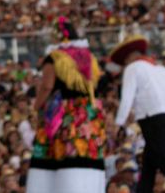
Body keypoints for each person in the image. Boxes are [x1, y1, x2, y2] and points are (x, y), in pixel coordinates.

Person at [26, 17, 106, 192]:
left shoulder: (56, 57)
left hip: (67, 113)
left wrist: (36, 107)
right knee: (87, 154)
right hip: (89, 113)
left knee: (64, 155)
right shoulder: (89, 57)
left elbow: (47, 86)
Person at [111, 37, 165, 193]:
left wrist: (118, 123)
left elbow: (127, 98)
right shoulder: (162, 70)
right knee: (149, 163)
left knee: (161, 158)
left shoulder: (133, 68)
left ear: (130, 57)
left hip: (151, 118)